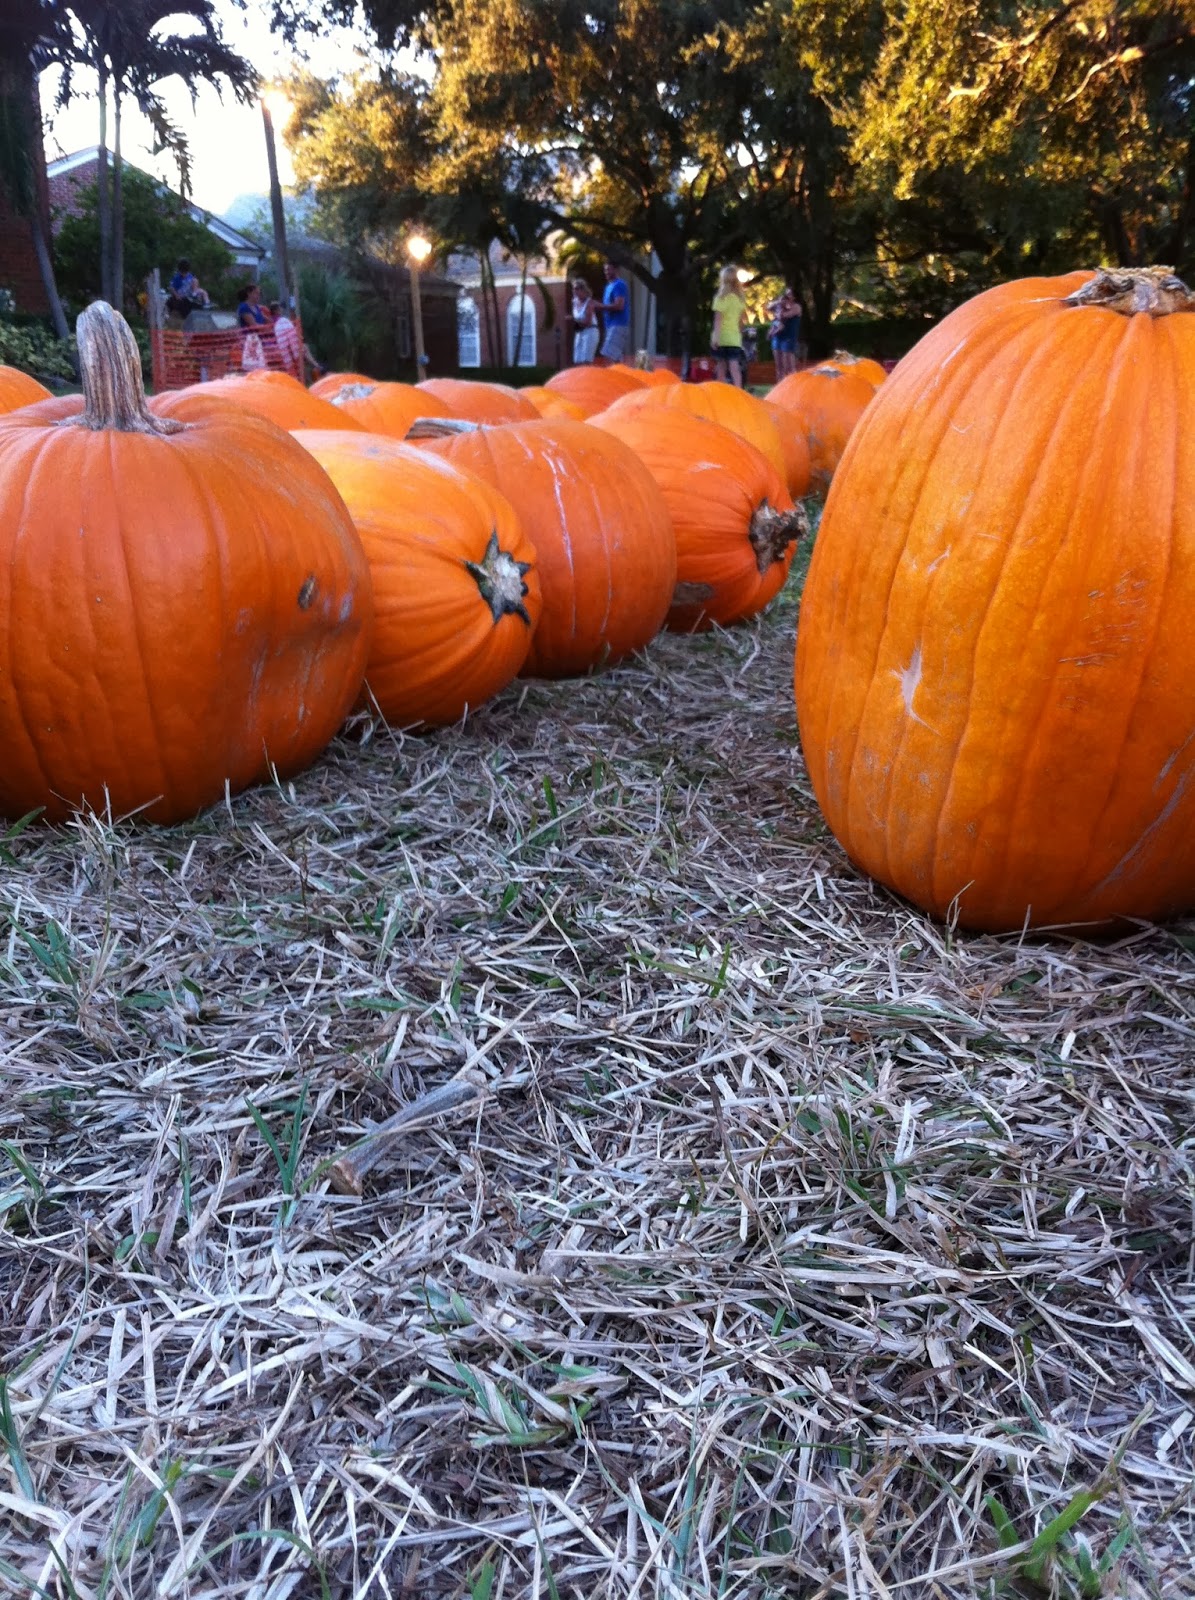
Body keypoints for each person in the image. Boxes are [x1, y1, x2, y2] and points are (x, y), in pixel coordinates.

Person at [711, 266, 748, 388]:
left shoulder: (720, 298)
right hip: (735, 338)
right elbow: (742, 321)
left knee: (721, 366)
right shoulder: (740, 299)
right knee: (734, 367)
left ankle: (720, 391)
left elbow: (718, 320)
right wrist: (739, 334)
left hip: (722, 337)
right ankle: (739, 391)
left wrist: (715, 338)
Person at [269, 301, 324, 380]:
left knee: (304, 348)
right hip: (283, 345)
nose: (281, 310)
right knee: (303, 349)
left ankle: (315, 367)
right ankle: (316, 366)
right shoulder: (277, 321)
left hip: (285, 343)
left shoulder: (278, 320)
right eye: (279, 309)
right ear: (275, 311)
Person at [599, 259, 630, 363]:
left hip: (618, 324)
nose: (606, 272)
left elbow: (619, 306)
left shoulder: (619, 284)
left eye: (609, 269)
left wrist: (599, 306)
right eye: (605, 270)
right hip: (610, 325)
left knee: (608, 355)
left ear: (616, 270)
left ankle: (612, 379)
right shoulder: (608, 287)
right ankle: (620, 378)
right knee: (615, 358)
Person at [767, 286, 802, 378]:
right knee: (779, 366)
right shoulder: (780, 305)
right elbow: (769, 307)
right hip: (778, 337)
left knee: (789, 366)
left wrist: (778, 313)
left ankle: (793, 386)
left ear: (795, 296)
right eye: (786, 294)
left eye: (789, 294)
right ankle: (780, 387)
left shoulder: (796, 307)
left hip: (789, 337)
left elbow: (786, 315)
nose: (787, 296)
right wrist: (778, 302)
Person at [571, 278, 600, 364]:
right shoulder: (574, 302)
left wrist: (574, 320)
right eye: (573, 288)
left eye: (577, 288)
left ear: (582, 289)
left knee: (586, 361)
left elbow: (588, 322)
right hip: (579, 332)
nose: (574, 291)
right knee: (577, 360)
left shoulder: (589, 303)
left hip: (590, 331)